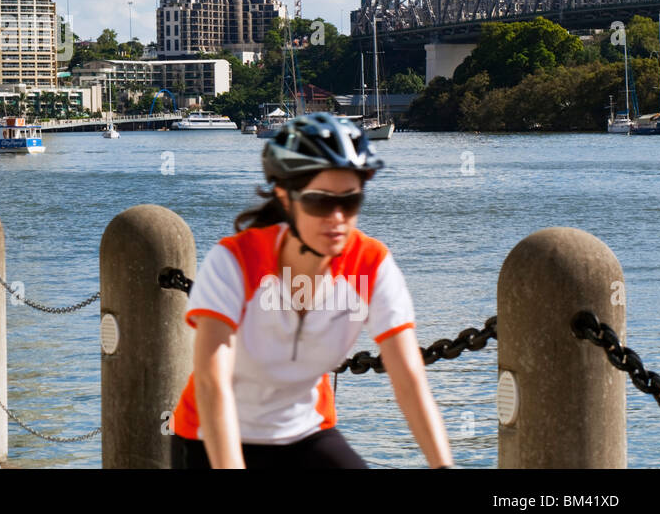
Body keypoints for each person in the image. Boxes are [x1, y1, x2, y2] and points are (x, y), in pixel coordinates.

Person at [170, 112, 452, 468]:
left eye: (349, 201)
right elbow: (213, 382)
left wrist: (444, 466)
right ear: (286, 200)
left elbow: (409, 378)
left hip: (305, 434)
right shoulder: (235, 261)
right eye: (320, 201)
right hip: (209, 437)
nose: (336, 217)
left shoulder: (371, 264)